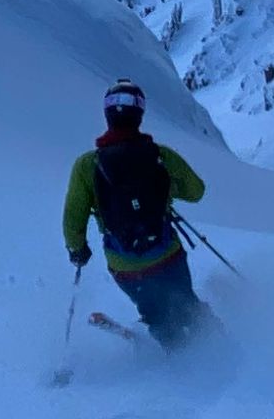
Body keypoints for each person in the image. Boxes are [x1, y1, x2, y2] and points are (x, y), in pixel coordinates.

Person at [60, 79, 214, 348]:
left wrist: (78, 250)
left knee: (154, 312)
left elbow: (74, 217)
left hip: (125, 264)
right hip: (167, 253)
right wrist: (165, 190)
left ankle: (178, 356)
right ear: (140, 115)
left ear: (107, 114)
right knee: (187, 302)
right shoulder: (161, 155)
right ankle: (219, 345)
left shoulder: (87, 165)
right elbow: (196, 191)